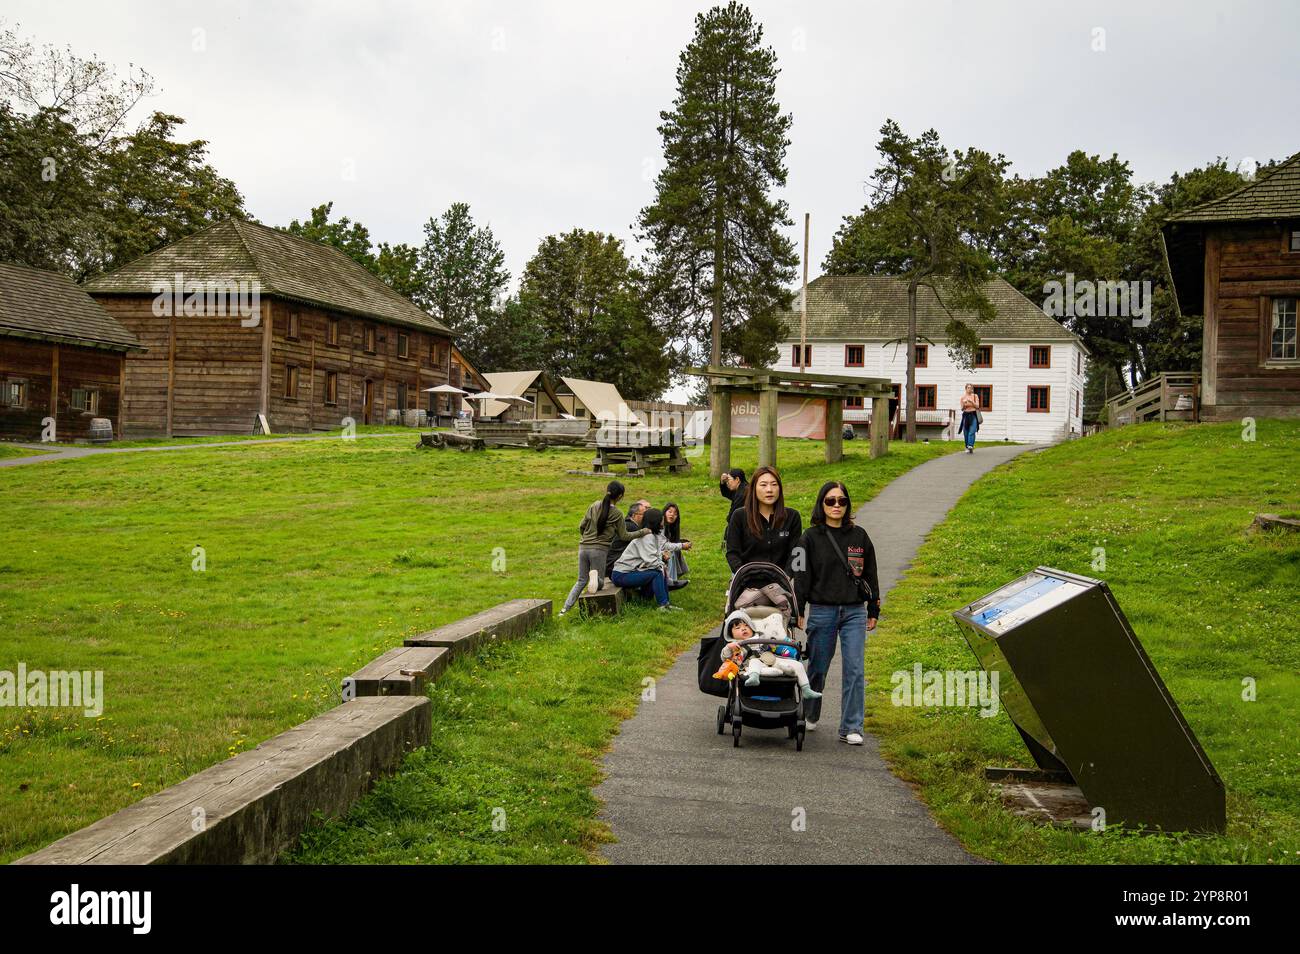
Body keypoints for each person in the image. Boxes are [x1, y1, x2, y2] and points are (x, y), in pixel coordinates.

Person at [791, 480, 880, 746]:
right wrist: (798, 610)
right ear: (822, 504)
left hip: (854, 611)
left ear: (848, 504)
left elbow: (871, 574)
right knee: (817, 667)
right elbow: (800, 576)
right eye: (831, 501)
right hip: (822, 610)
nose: (836, 506)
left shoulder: (860, 536)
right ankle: (809, 713)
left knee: (855, 668)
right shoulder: (807, 538)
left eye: (841, 501)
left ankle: (852, 726)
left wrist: (873, 607)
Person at [560, 482, 650, 616]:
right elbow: (624, 536)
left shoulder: (594, 505)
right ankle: (595, 579)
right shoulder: (617, 513)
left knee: (581, 580)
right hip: (600, 550)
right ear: (620, 496)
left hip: (583, 547)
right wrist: (643, 531)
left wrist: (587, 539)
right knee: (600, 582)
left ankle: (564, 610)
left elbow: (582, 526)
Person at [720, 609, 821, 698]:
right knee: (755, 662)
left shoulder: (762, 637)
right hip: (753, 664)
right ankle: (754, 677)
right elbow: (725, 658)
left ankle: (806, 689)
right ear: (730, 633)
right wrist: (728, 647)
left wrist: (773, 645)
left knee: (798, 665)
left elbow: (774, 648)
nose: (743, 628)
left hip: (772, 659)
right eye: (737, 628)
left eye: (746, 625)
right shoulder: (735, 645)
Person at [725, 465, 802, 573]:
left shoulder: (792, 516)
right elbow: (732, 553)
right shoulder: (739, 516)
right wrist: (744, 577)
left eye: (774, 485)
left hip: (783, 582)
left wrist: (787, 578)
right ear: (754, 489)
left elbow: (798, 553)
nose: (769, 490)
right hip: (748, 582)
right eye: (763, 485)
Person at [611, 508, 683, 612]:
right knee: (657, 572)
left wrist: (662, 565)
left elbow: (661, 549)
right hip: (621, 574)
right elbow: (651, 561)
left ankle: (665, 603)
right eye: (661, 519)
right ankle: (663, 605)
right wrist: (662, 566)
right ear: (656, 521)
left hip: (631, 572)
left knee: (659, 570)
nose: (663, 521)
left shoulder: (653, 535)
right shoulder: (647, 537)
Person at [605, 499, 649, 577]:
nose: (645, 517)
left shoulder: (627, 524)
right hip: (614, 566)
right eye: (643, 514)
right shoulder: (632, 527)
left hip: (612, 564)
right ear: (634, 515)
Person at [662, 502, 692, 588]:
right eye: (670, 512)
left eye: (675, 513)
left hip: (662, 549)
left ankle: (674, 578)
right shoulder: (661, 526)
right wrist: (681, 545)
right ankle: (670, 581)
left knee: (675, 550)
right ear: (664, 512)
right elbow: (663, 545)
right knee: (671, 552)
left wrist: (681, 543)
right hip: (657, 552)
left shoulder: (671, 526)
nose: (672, 515)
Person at [718, 468, 747, 547]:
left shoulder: (743, 493)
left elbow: (733, 515)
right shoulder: (742, 488)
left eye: (729, 480)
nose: (727, 483)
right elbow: (728, 494)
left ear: (737, 479)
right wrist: (722, 482)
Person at [958, 383, 981, 454]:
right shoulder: (962, 397)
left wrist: (972, 402)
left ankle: (970, 446)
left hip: (973, 414)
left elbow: (977, 406)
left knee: (972, 430)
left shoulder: (975, 396)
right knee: (966, 432)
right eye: (968, 388)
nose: (970, 389)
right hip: (965, 415)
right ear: (966, 389)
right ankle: (967, 446)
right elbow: (962, 409)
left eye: (971, 388)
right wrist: (964, 405)